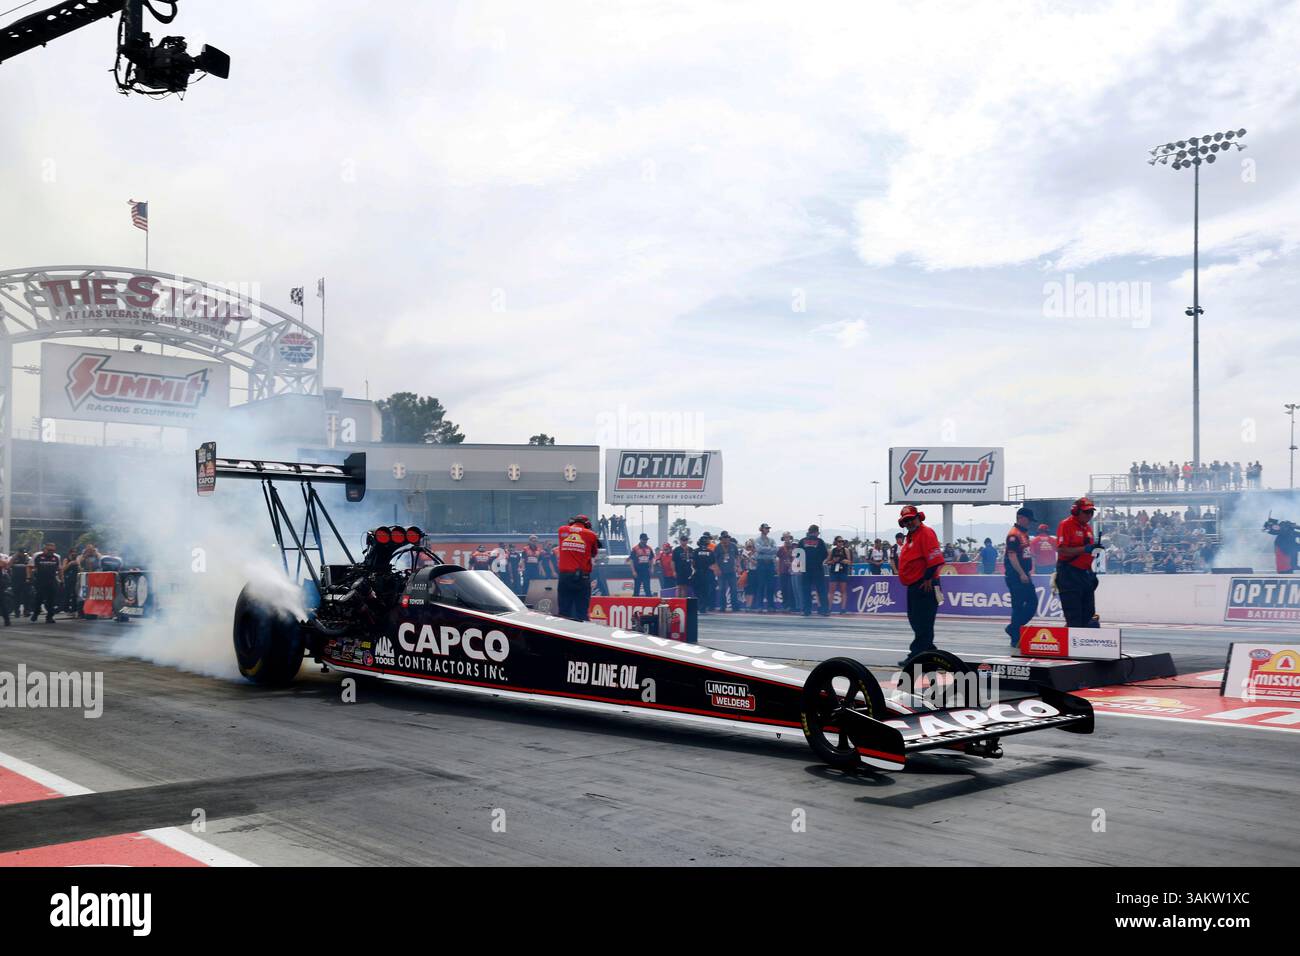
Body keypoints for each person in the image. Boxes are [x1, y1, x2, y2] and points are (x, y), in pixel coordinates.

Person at [896, 505, 945, 661]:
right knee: (917, 620)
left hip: (925, 584)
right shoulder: (911, 536)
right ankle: (930, 653)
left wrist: (927, 579)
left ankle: (916, 656)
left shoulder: (925, 533)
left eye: (911, 519)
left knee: (922, 621)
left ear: (918, 517)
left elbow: (935, 559)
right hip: (915, 585)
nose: (909, 522)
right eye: (906, 521)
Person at [1055, 497, 1103, 627]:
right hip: (1069, 573)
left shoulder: (1087, 528)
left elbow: (1088, 553)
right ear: (1076, 511)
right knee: (1074, 615)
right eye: (1086, 512)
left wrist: (1091, 570)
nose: (1089, 515)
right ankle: (1071, 642)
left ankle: (1082, 640)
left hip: (1084, 573)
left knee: (1089, 613)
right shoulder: (1066, 525)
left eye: (1091, 512)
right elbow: (1061, 550)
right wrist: (1085, 549)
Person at [555, 515, 601, 621]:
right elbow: (593, 554)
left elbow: (571, 530)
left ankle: (563, 635)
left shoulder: (562, 530)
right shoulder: (591, 535)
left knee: (563, 612)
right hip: (582, 578)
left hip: (565, 577)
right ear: (587, 525)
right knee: (582, 613)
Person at [1003, 506, 1037, 647]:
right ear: (1021, 518)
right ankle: (1015, 636)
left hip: (1024, 574)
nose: (1030, 523)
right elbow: (1012, 555)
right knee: (1018, 606)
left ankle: (1013, 628)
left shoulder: (1024, 533)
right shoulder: (1014, 534)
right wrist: (1022, 573)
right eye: (1028, 520)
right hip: (1016, 576)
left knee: (1032, 602)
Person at [798, 525, 829, 617]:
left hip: (805, 569)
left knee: (806, 590)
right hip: (817, 569)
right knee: (821, 590)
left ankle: (806, 610)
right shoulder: (819, 541)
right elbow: (825, 554)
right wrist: (818, 561)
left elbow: (797, 554)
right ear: (816, 532)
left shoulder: (802, 541)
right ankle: (824, 610)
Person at [30, 541, 62, 624]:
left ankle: (49, 617)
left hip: (52, 580)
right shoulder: (37, 556)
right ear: (45, 549)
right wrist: (29, 577)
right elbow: (30, 567)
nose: (51, 552)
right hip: (40, 580)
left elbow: (60, 569)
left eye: (53, 550)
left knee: (51, 599)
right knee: (39, 598)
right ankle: (36, 613)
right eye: (49, 550)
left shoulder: (57, 557)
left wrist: (62, 580)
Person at [751, 524, 777, 612]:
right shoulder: (757, 540)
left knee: (770, 586)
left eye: (768, 528)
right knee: (761, 585)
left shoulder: (772, 540)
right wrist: (769, 550)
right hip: (761, 563)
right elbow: (759, 549)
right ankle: (760, 606)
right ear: (761, 529)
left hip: (770, 564)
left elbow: (775, 549)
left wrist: (765, 550)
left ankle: (771, 606)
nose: (767, 530)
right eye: (766, 528)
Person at [714, 532, 741, 611]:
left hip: (731, 571)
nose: (726, 539)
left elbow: (737, 556)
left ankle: (735, 606)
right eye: (724, 538)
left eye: (727, 537)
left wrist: (738, 566)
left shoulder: (733, 546)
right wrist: (717, 569)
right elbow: (714, 560)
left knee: (734, 589)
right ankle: (723, 606)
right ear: (721, 539)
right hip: (721, 572)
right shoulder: (717, 547)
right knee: (722, 589)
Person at [826, 536, 853, 614]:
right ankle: (829, 608)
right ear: (835, 542)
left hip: (843, 571)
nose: (840, 543)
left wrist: (844, 561)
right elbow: (827, 562)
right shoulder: (832, 550)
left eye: (842, 541)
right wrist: (833, 561)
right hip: (834, 572)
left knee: (843, 590)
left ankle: (843, 608)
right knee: (831, 590)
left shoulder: (846, 550)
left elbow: (850, 562)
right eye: (839, 541)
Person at [692, 533, 716, 612]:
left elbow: (693, 563)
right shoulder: (710, 552)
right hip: (707, 573)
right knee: (706, 590)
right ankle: (704, 606)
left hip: (698, 573)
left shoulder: (696, 551)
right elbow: (713, 564)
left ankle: (699, 605)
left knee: (698, 590)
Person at [671, 534, 694, 601]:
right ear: (680, 541)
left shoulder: (690, 549)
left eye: (685, 540)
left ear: (687, 541)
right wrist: (674, 571)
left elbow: (693, 560)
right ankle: (677, 601)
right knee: (679, 587)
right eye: (682, 540)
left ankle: (683, 601)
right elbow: (673, 561)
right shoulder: (676, 550)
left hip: (687, 571)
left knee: (685, 587)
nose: (684, 542)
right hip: (679, 570)